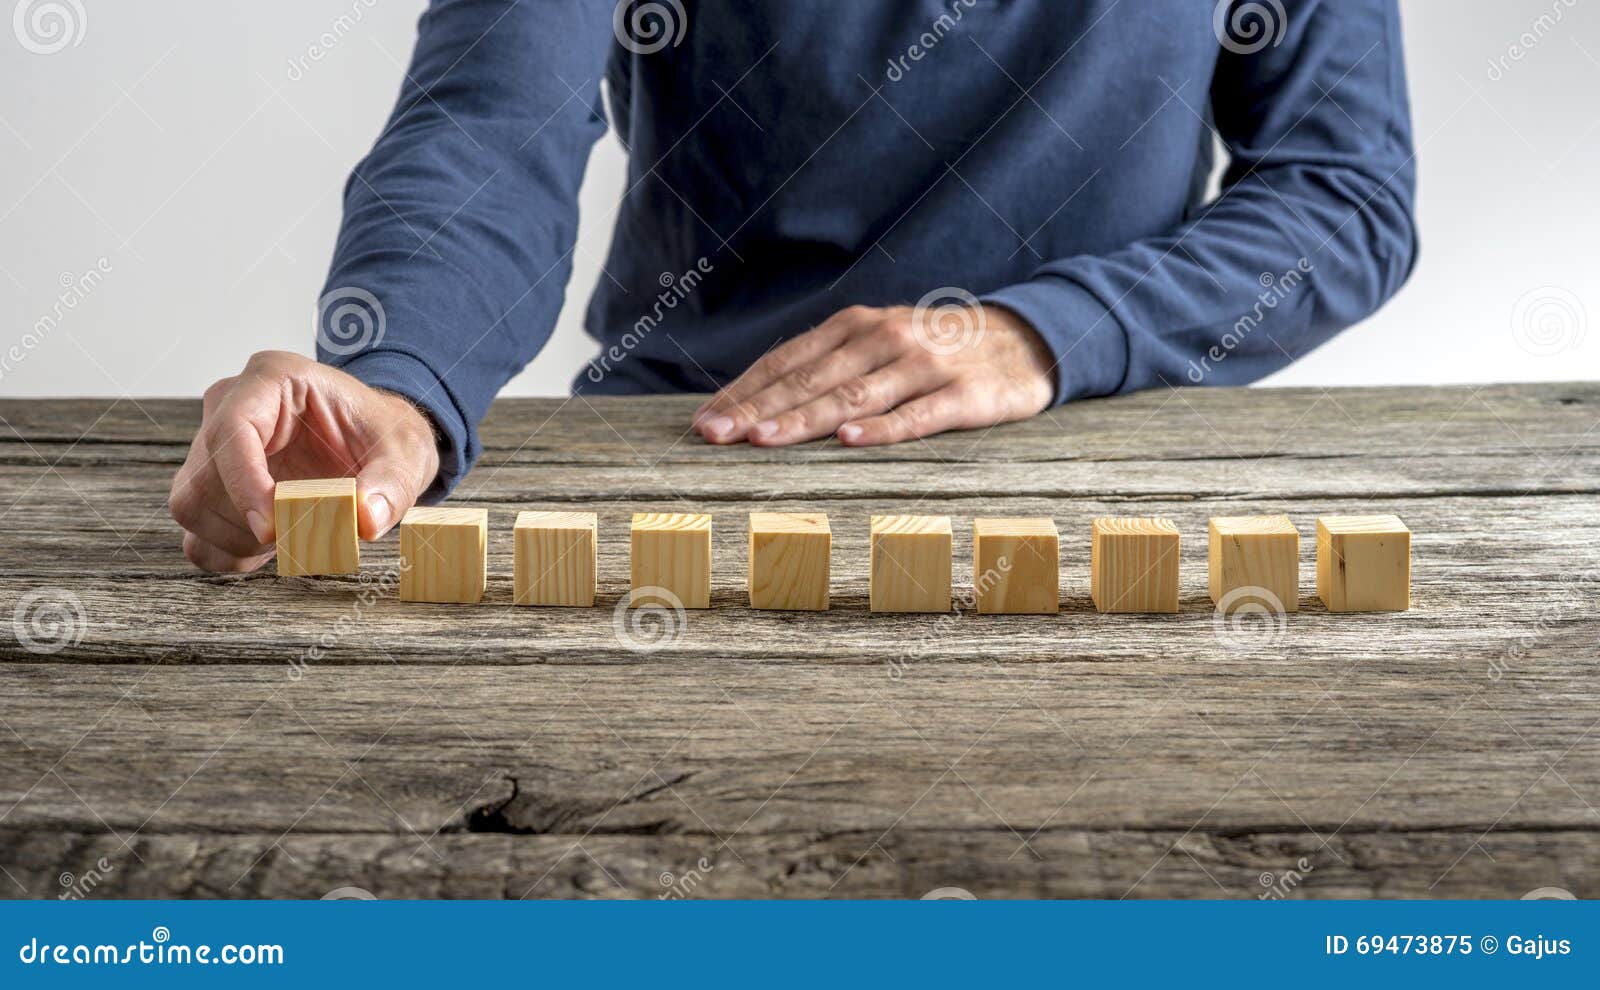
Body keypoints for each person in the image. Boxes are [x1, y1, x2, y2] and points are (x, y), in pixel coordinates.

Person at [170, 0, 1417, 572]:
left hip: (1113, 485)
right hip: (693, 471)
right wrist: (397, 379)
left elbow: (1342, 195)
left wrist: (1045, 332)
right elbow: (494, 123)